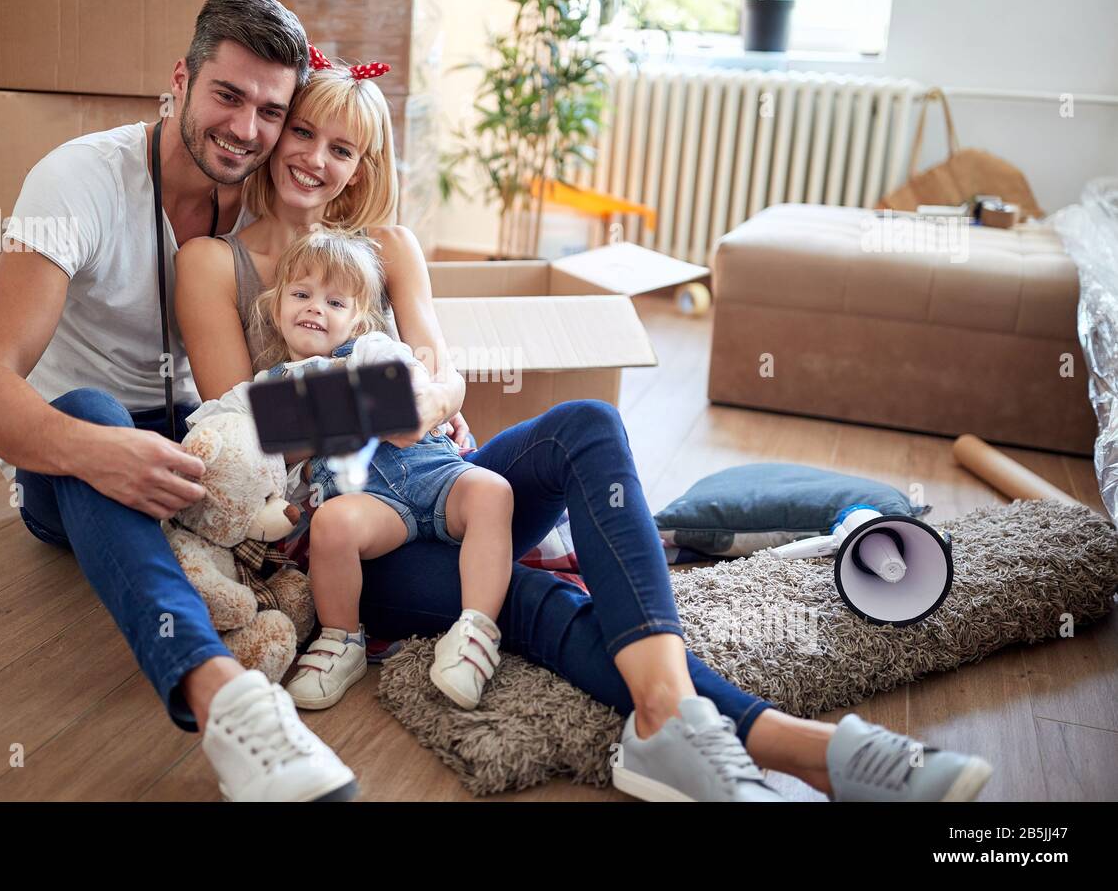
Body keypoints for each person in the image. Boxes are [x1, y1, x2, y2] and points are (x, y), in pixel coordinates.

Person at [176, 53, 996, 801]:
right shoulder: (215, 261)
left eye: (343, 148)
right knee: (527, 598)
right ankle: (812, 751)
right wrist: (404, 399)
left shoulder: (389, 248)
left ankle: (671, 725)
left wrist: (422, 398)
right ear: (275, 128)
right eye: (305, 132)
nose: (316, 158)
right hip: (347, 537)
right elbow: (258, 432)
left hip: (443, 477)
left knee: (587, 424)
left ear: (365, 165)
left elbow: (446, 379)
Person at [0, 0, 358, 802]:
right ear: (180, 79)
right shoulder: (79, 180)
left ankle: (658, 699)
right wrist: (90, 449)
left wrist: (418, 393)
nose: (247, 130)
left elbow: (283, 398)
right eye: (228, 95)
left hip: (223, 444)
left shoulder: (276, 201)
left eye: (271, 112)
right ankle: (228, 704)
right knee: (91, 408)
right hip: (74, 461)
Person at [247, 228, 513, 711]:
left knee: (493, 490)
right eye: (302, 294)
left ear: (358, 320)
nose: (315, 308)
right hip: (372, 505)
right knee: (331, 522)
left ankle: (475, 633)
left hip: (435, 476)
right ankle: (342, 639)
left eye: (334, 302)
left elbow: (406, 398)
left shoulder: (370, 350)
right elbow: (273, 463)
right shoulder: (271, 386)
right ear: (275, 305)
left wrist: (337, 417)